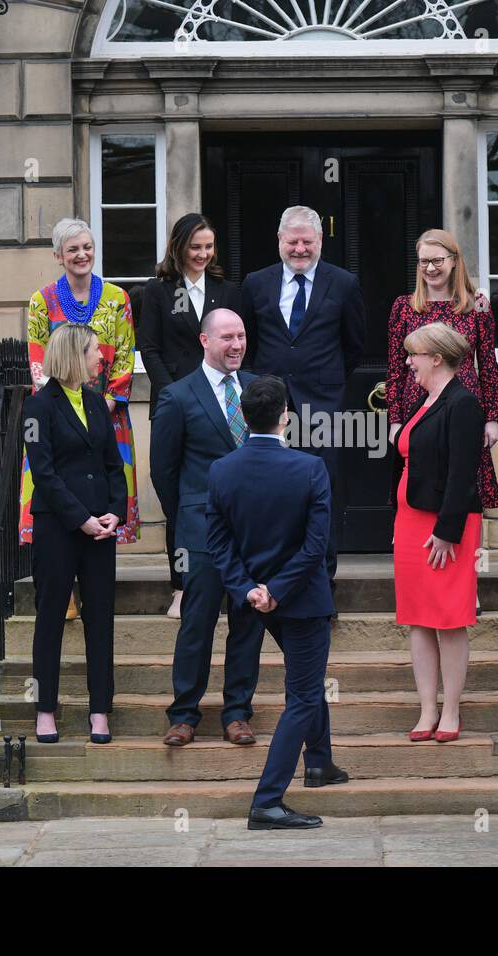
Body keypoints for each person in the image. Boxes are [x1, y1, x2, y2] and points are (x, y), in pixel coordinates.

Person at [206, 375, 345, 830]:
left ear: (243, 418)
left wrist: (250, 589)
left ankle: (320, 763)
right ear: (285, 414)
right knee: (304, 695)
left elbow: (218, 543)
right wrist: (277, 590)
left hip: (256, 598)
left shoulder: (222, 469)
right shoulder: (310, 468)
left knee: (308, 682)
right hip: (301, 598)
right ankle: (267, 801)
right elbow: (316, 546)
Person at [150, 308, 266, 747]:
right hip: (201, 534)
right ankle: (183, 715)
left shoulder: (259, 388)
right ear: (204, 341)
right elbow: (164, 471)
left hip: (255, 532)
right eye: (227, 338)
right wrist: (188, 521)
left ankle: (237, 713)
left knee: (248, 623)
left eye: (241, 336)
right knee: (196, 625)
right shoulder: (177, 396)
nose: (236, 345)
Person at [240, 205, 367, 601]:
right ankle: (270, 584)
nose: (299, 249)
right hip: (269, 407)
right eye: (292, 241)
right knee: (271, 491)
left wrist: (324, 384)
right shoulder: (255, 283)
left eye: (307, 241)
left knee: (322, 490)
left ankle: (321, 587)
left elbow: (355, 345)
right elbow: (249, 344)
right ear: (279, 241)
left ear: (320, 242)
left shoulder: (343, 284)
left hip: (323, 407)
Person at [22, 323, 127, 745]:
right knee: (50, 618)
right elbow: (42, 473)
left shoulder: (97, 403)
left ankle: (100, 709)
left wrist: (115, 514)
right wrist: (80, 518)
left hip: (101, 530)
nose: (101, 358)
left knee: (100, 619)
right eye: (93, 352)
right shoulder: (37, 408)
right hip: (58, 528)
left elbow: (113, 465)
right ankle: (45, 708)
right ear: (72, 355)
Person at [20, 218, 140, 582]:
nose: (81, 254)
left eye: (87, 247)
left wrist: (105, 403)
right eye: (72, 249)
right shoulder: (41, 301)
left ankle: (94, 571)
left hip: (107, 411)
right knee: (58, 484)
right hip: (57, 413)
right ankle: (64, 584)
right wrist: (60, 407)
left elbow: (125, 354)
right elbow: (37, 359)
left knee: (104, 484)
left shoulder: (118, 298)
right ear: (58, 256)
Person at [137, 212, 242, 620]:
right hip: (176, 404)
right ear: (178, 247)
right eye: (195, 247)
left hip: (221, 407)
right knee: (178, 496)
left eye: (208, 247)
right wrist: (171, 394)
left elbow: (235, 342)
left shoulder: (226, 289)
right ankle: (181, 586)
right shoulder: (157, 292)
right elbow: (149, 348)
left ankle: (233, 581)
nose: (202, 254)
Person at [390, 323, 485, 743]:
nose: (408, 362)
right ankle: (426, 707)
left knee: (447, 618)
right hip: (411, 524)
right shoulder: (424, 401)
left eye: (414, 355)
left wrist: (448, 531)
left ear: (437, 358)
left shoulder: (463, 403)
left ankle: (450, 710)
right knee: (418, 620)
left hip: (447, 525)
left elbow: (465, 474)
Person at [386, 229, 498, 512]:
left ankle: (461, 548)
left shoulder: (478, 307)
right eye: (424, 261)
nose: (430, 268)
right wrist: (395, 420)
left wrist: (491, 418)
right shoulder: (404, 307)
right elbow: (395, 370)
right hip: (417, 406)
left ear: (453, 261)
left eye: (437, 260)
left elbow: (488, 365)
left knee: (461, 479)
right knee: (420, 484)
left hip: (463, 407)